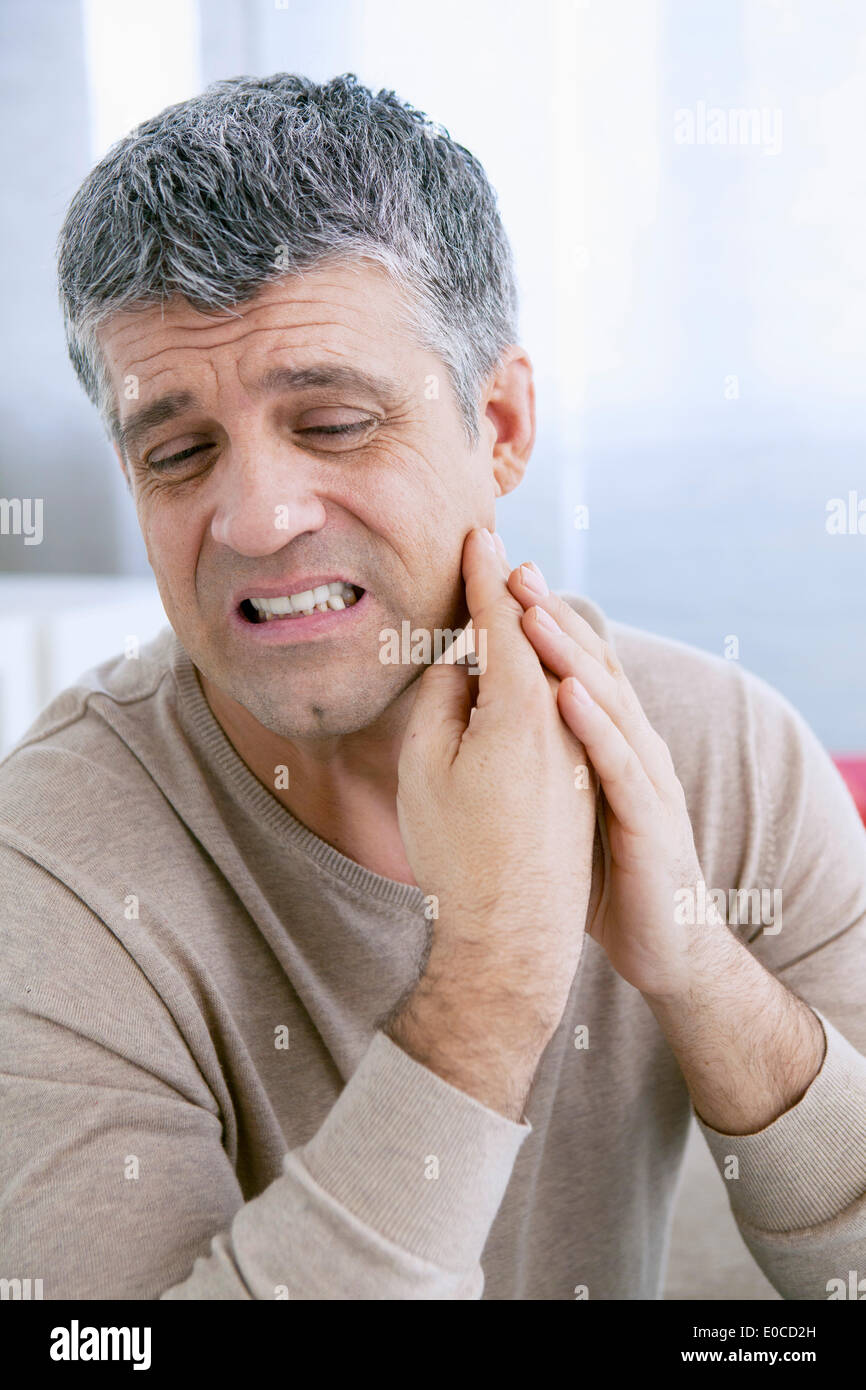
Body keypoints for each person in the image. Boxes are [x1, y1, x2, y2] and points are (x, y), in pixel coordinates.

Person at [0, 73, 864, 1301]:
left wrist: (698, 967)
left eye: (335, 422)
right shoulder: (48, 864)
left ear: (500, 422)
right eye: (180, 452)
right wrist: (495, 975)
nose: (254, 518)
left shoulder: (724, 751)